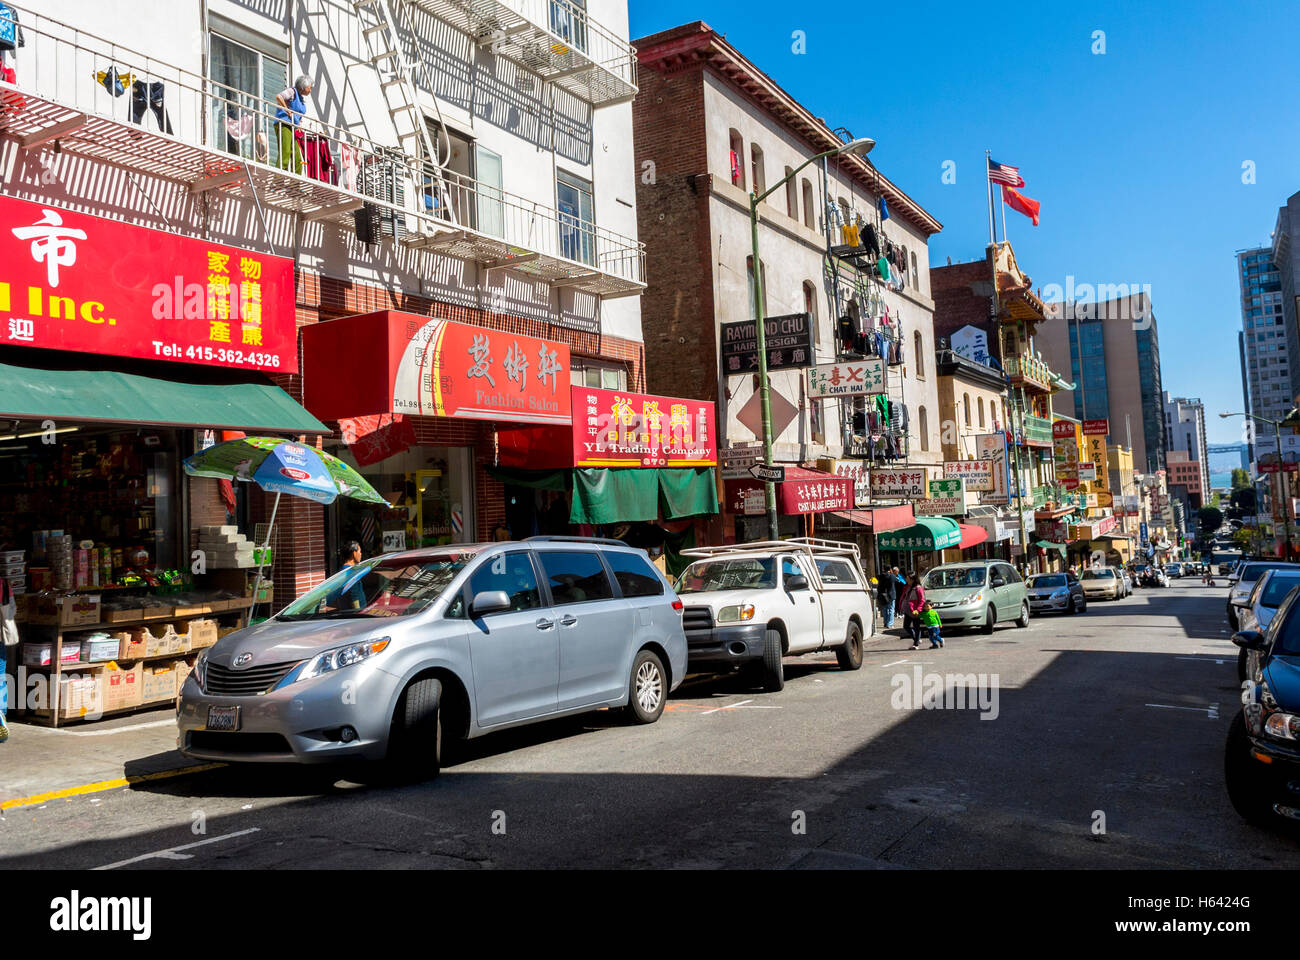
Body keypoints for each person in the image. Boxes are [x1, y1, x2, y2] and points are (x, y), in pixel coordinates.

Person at [274, 75, 312, 173]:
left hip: (294, 127)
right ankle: (279, 177)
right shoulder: (292, 92)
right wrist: (287, 110)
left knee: (297, 156)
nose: (310, 90)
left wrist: (299, 124)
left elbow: (299, 115)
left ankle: (296, 181)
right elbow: (279, 97)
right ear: (303, 86)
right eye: (310, 87)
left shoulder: (301, 99)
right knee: (286, 151)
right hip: (284, 123)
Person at [901, 572, 926, 649]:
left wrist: (918, 609)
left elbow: (922, 600)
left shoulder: (918, 588)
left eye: (908, 579)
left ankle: (916, 644)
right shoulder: (908, 587)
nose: (906, 580)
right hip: (908, 610)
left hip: (915, 611)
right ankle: (916, 639)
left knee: (916, 627)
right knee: (906, 626)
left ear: (913, 580)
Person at [876, 566, 897, 630]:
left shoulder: (880, 576)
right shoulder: (892, 576)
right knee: (891, 609)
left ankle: (885, 623)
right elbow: (896, 580)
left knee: (885, 609)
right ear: (890, 569)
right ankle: (890, 624)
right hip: (891, 595)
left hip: (883, 595)